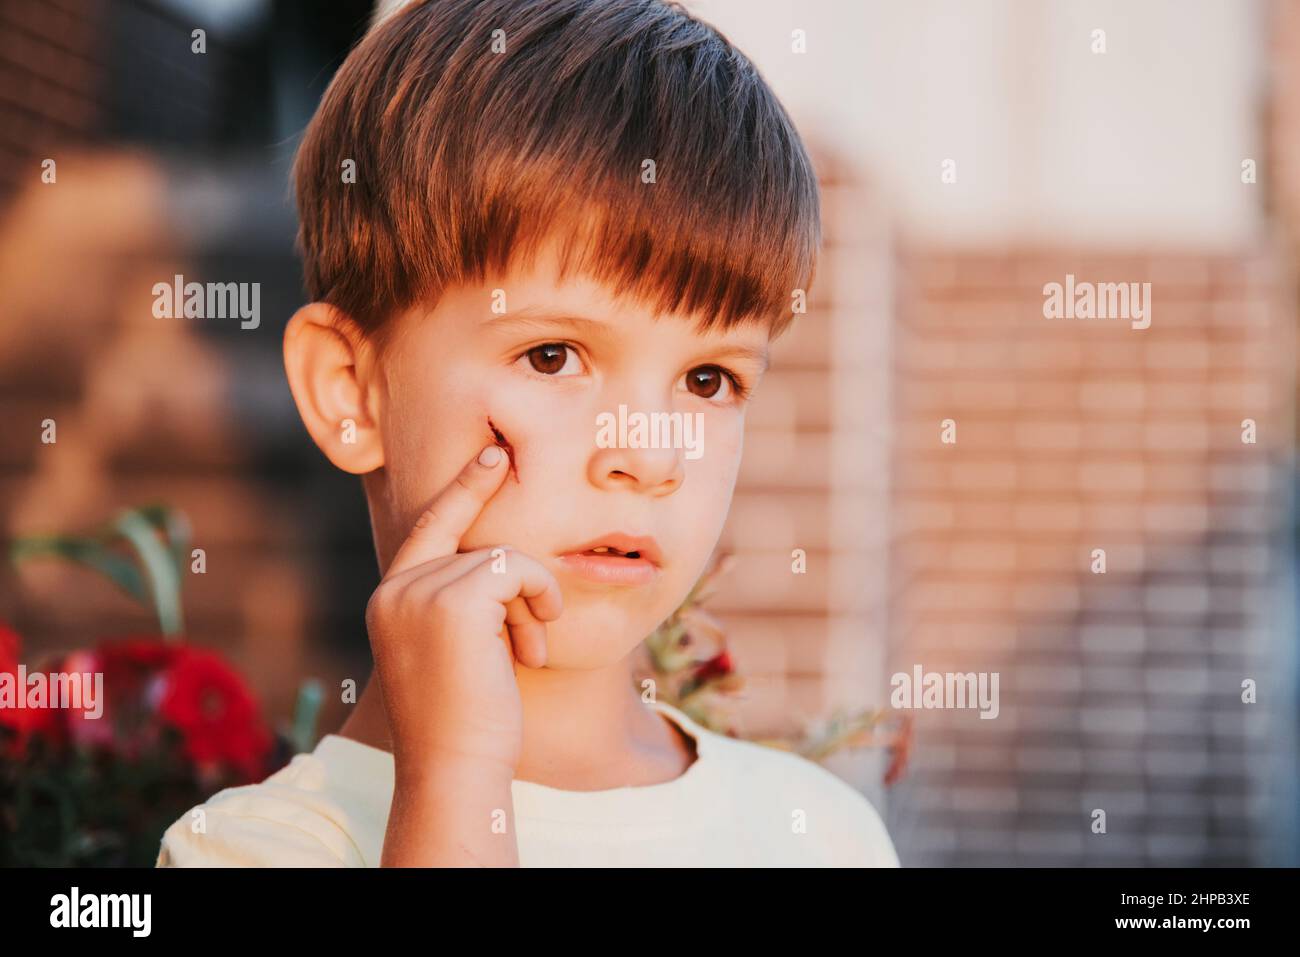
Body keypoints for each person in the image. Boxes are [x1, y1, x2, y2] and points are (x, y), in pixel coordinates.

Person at [156, 0, 899, 867]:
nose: (648, 453)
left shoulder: (822, 833)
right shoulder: (258, 849)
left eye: (708, 379)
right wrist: (457, 782)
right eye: (552, 356)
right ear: (350, 391)